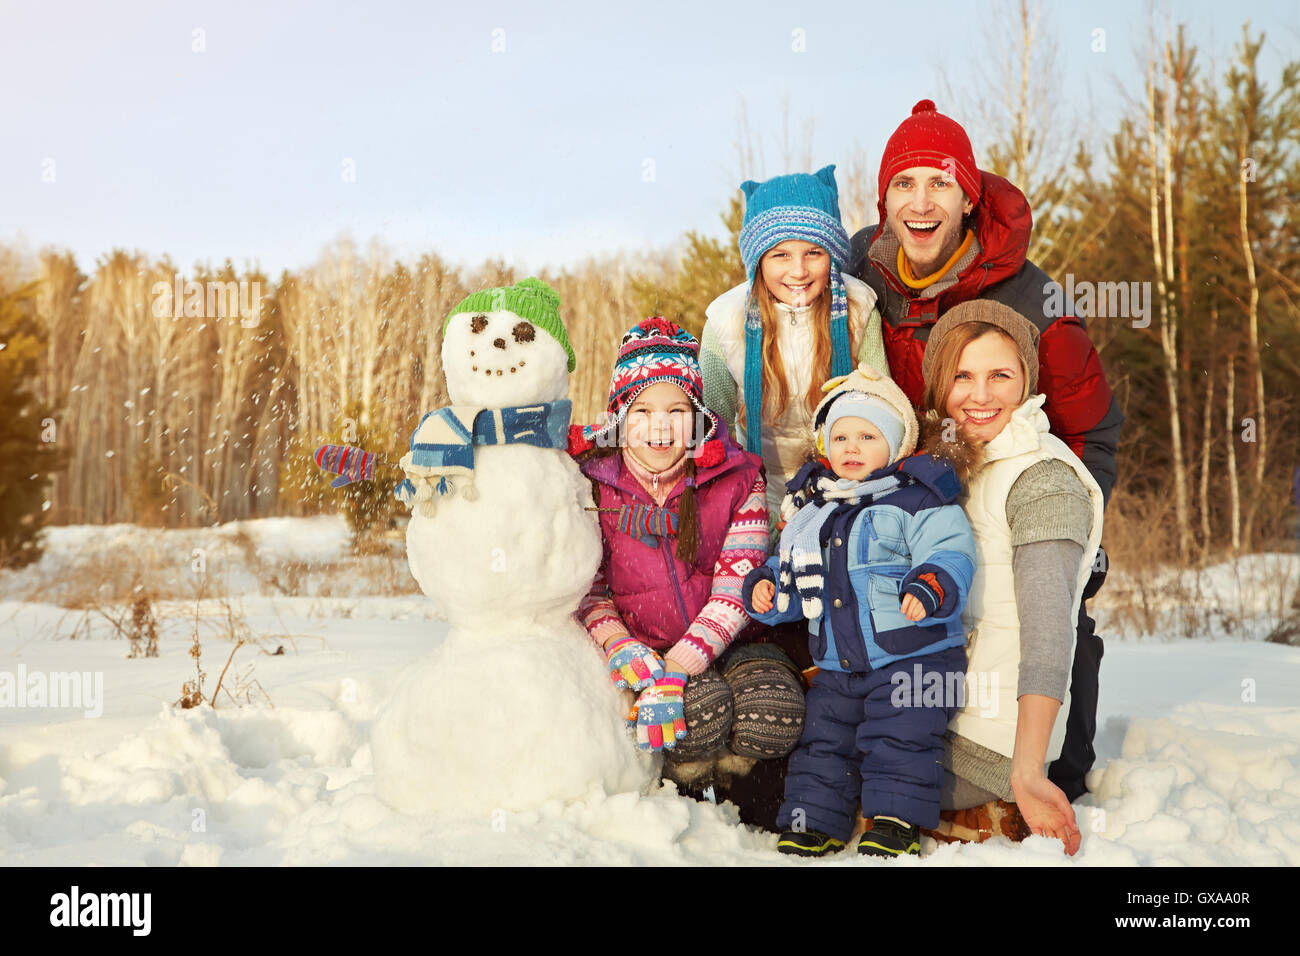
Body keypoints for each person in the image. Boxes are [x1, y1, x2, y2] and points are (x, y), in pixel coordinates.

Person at [847, 99, 1121, 801]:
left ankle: (1050, 762)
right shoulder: (859, 276)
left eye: (940, 182)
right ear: (884, 202)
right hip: (906, 486)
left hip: (1012, 485)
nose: (921, 200)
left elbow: (1093, 422)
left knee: (1045, 607)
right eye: (904, 185)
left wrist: (1071, 533)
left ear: (968, 198)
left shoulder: (1032, 295)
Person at [742, 363, 976, 858]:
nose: (851, 447)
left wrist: (931, 583)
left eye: (868, 436)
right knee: (824, 743)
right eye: (841, 435)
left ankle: (895, 822)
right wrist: (766, 588)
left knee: (902, 736)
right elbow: (789, 571)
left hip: (915, 655)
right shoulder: (813, 513)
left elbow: (950, 550)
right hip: (837, 664)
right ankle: (813, 821)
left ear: (897, 447)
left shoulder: (918, 500)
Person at [569, 318, 806, 806]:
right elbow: (588, 590)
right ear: (619, 415)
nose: (660, 426)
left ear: (697, 417)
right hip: (647, 649)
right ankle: (691, 807)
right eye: (643, 409)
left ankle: (760, 806)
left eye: (677, 409)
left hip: (738, 641)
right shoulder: (593, 486)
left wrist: (681, 666)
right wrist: (623, 651)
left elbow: (737, 589)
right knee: (698, 719)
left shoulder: (737, 478)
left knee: (772, 708)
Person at [919, 300, 1105, 856]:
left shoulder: (1041, 478)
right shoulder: (950, 465)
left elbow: (1049, 634)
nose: (980, 395)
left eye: (1000, 375)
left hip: (985, 743)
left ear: (1027, 381)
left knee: (821, 775)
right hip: (935, 709)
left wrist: (1026, 768)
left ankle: (991, 808)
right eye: (962, 376)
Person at [700, 165, 888, 525]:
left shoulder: (859, 311)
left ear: (832, 256)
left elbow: (877, 411)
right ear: (758, 262)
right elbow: (714, 429)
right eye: (781, 255)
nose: (798, 271)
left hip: (841, 485)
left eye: (813, 253)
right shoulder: (726, 323)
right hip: (754, 487)